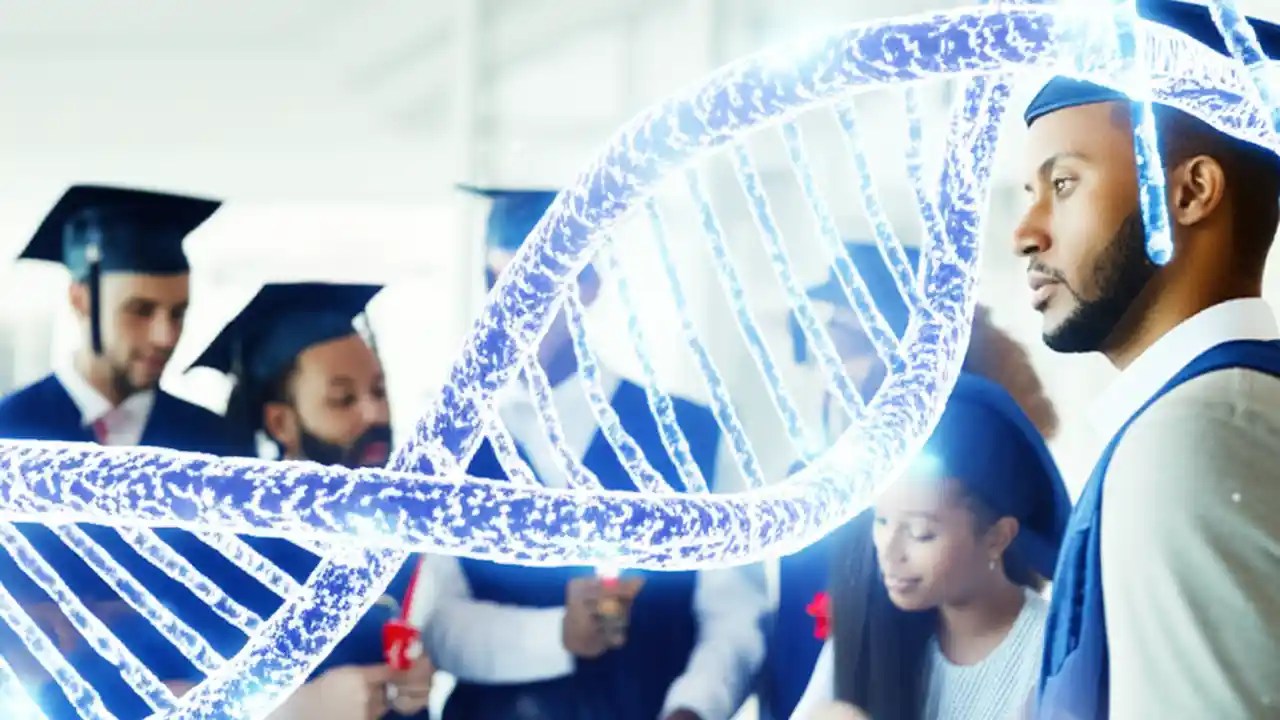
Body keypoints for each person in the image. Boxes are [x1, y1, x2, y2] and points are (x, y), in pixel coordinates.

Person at [1014, 1, 1280, 716]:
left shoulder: (1197, 434)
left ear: (1190, 192)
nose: (1026, 233)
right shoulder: (1220, 411)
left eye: (1063, 184)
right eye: (1029, 194)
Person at [416, 186, 768, 720]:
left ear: (588, 285)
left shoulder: (688, 432)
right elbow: (439, 622)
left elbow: (734, 610)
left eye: (539, 287)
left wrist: (695, 706)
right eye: (499, 282)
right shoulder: (451, 443)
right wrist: (555, 634)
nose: (515, 308)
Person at [767, 241, 1066, 720]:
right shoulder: (876, 606)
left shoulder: (1040, 651)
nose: (890, 550)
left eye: (844, 339)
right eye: (881, 522)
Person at [0, 184, 253, 718]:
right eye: (141, 310)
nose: (165, 335)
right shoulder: (8, 431)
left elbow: (231, 599)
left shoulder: (217, 446)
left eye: (179, 312)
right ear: (80, 299)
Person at [187, 281, 435, 719]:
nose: (375, 415)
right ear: (281, 422)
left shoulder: (399, 528)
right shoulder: (228, 547)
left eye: (379, 392)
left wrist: (412, 682)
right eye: (343, 400)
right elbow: (153, 693)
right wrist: (298, 709)